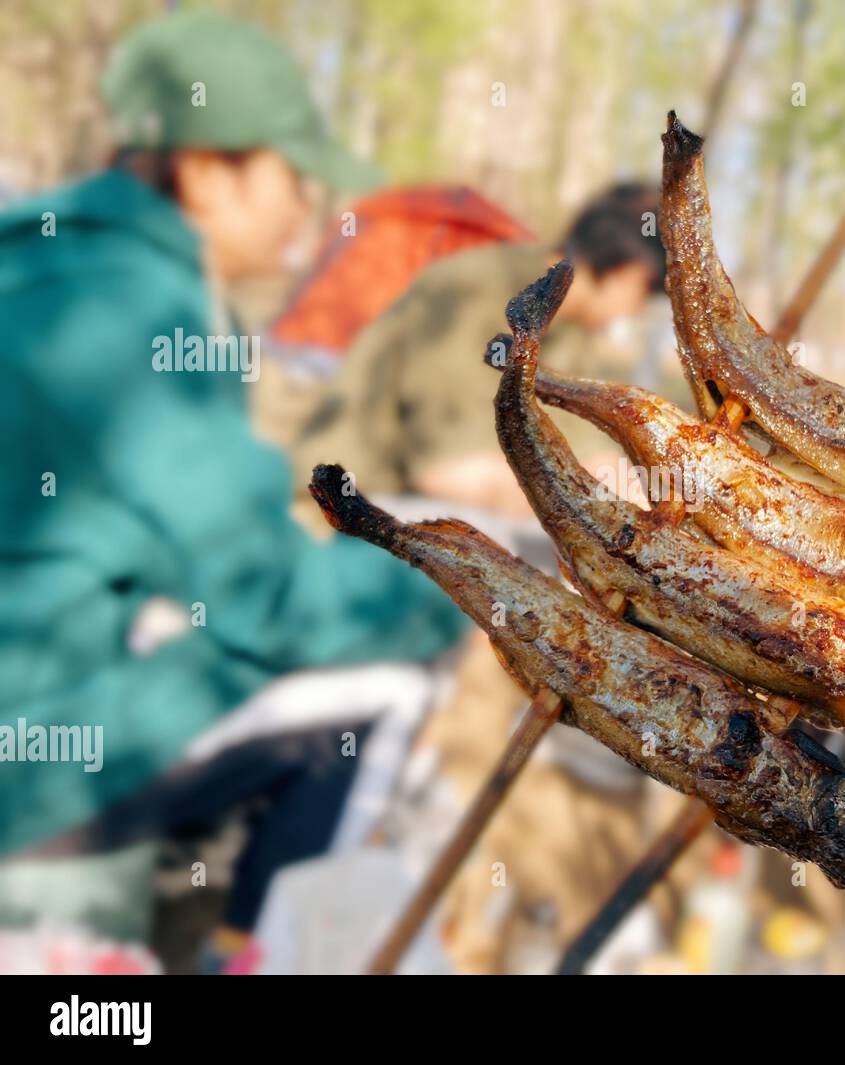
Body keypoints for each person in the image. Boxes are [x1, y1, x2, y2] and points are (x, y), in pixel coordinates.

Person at [0, 13, 466, 954]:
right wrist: (462, 580)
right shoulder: (127, 303)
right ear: (208, 172)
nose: (306, 209)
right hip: (27, 749)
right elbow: (265, 594)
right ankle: (253, 953)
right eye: (290, 177)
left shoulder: (45, 258)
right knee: (388, 677)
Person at [292, 183, 669, 512]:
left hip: (419, 508)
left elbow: (588, 453)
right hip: (348, 504)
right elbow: (451, 472)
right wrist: (598, 504)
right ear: (629, 272)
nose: (634, 310)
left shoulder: (573, 331)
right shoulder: (472, 291)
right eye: (643, 295)